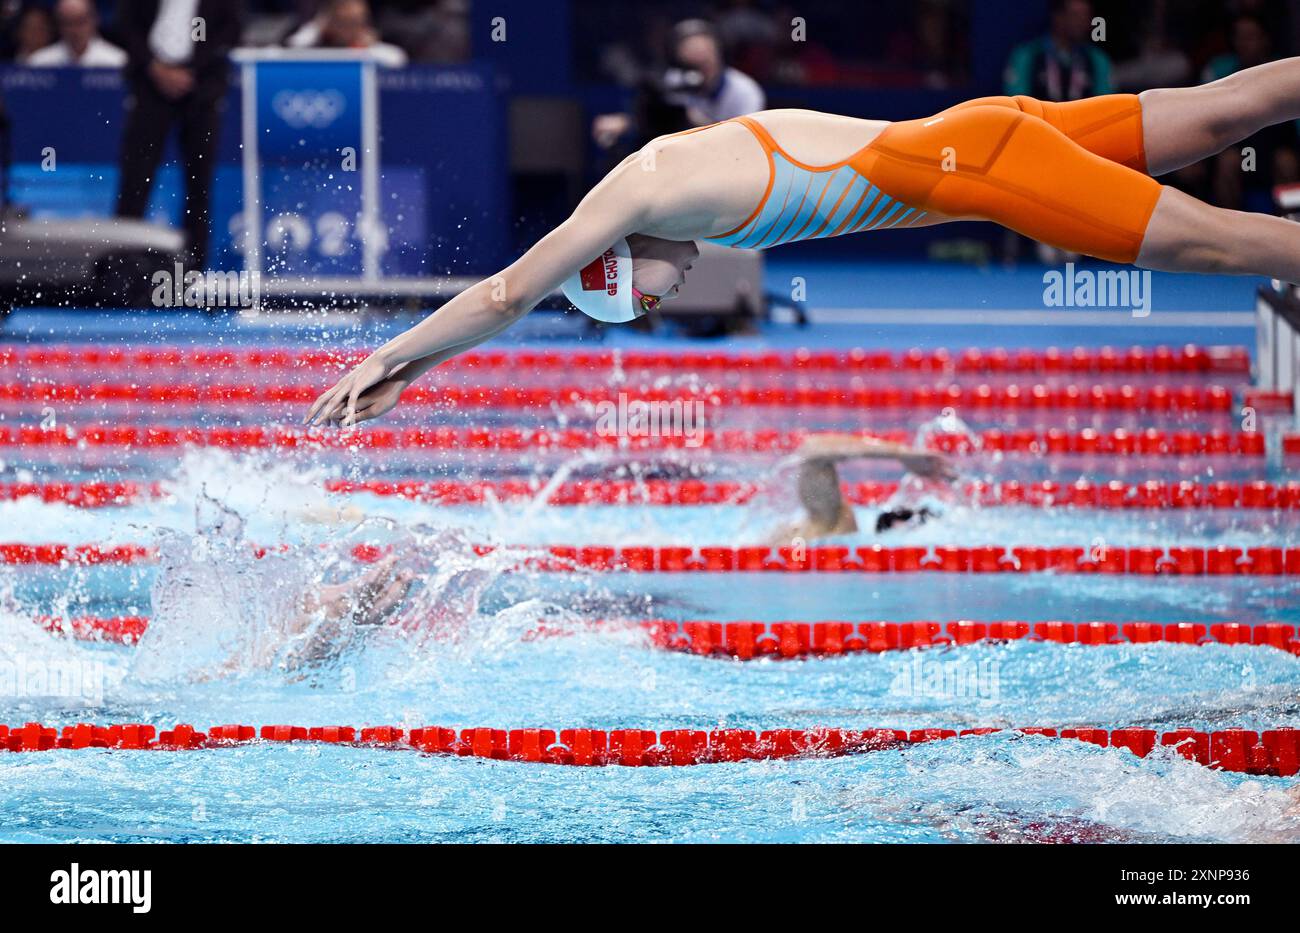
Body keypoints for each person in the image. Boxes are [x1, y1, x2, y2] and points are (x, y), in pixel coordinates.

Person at [307, 57, 1300, 428]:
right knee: (1214, 117)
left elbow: (505, 295)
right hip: (977, 135)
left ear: (615, 263)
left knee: (1214, 247)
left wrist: (394, 361)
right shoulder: (664, 187)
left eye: (644, 296)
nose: (670, 293)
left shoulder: (639, 191)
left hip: (978, 163)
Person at [114, 0, 243, 270]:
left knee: (199, 182)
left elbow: (230, 29)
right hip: (149, 86)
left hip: (201, 87)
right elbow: (126, 25)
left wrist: (191, 70)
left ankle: (194, 270)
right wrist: (155, 67)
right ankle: (120, 268)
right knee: (135, 178)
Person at [593, 19, 764, 152]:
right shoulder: (672, 81)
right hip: (682, 162)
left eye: (706, 58)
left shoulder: (744, 90)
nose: (700, 69)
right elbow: (655, 121)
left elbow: (746, 141)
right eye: (692, 63)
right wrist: (626, 123)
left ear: (718, 54)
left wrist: (696, 121)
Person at [767, 435, 956, 545]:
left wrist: (901, 454)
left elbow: (812, 449)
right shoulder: (834, 524)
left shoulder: (831, 525)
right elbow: (813, 449)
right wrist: (902, 454)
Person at [25, 0, 125, 67]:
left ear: (94, 20)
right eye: (68, 23)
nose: (74, 30)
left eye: (80, 21)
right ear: (58, 24)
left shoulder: (117, 62)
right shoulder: (39, 63)